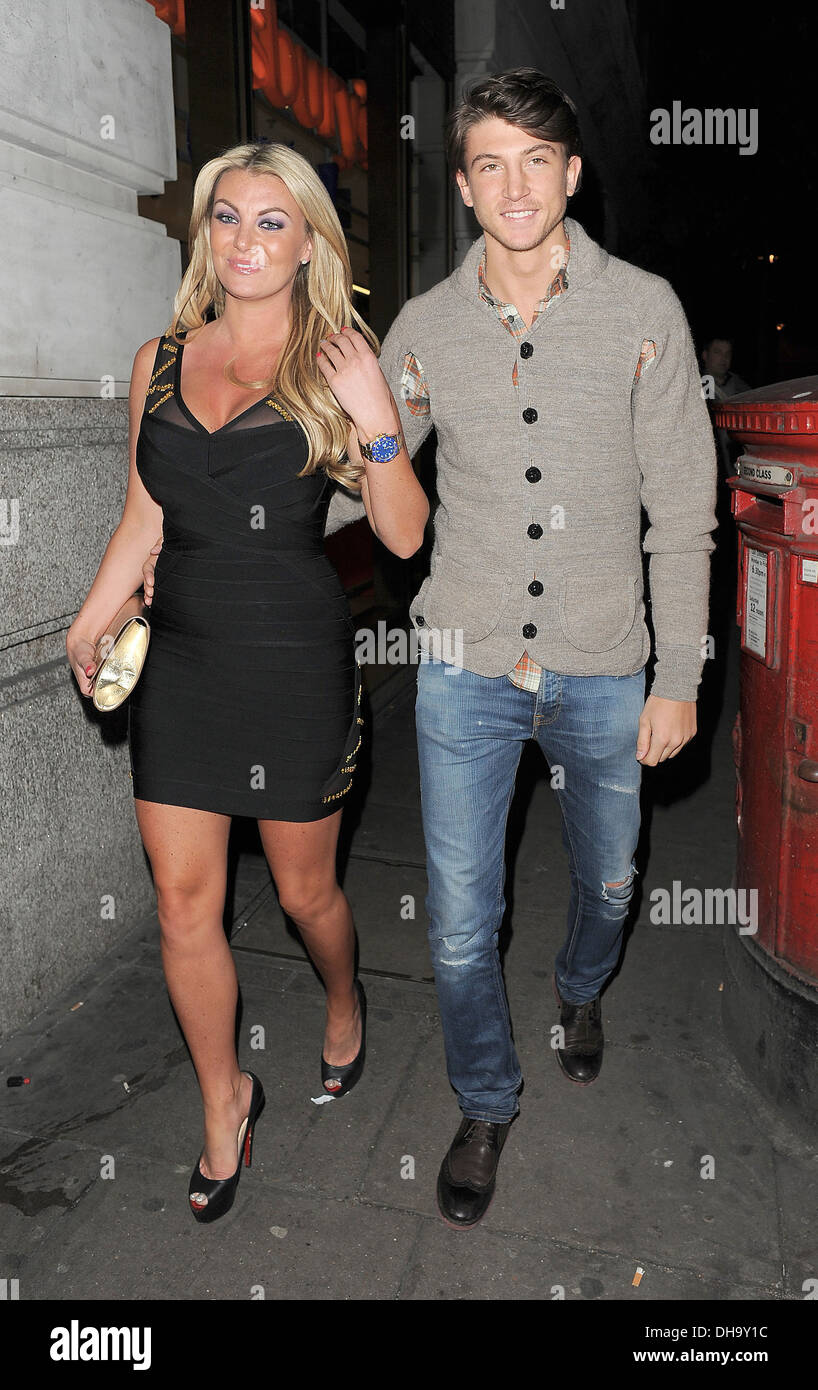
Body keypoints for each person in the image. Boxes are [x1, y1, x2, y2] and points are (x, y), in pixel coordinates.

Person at [373, 68, 717, 1229]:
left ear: (570, 175)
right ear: (464, 185)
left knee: (611, 878)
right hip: (463, 664)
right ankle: (483, 1098)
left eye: (536, 161)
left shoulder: (644, 313)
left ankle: (578, 991)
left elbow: (681, 511)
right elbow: (358, 473)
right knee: (461, 918)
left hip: (603, 660)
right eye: (488, 163)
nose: (512, 186)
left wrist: (678, 678)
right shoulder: (421, 328)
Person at [66, 142, 428, 1223]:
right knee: (186, 904)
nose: (246, 240)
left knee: (306, 894)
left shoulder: (336, 361)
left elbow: (404, 534)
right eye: (228, 217)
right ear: (204, 234)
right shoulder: (160, 360)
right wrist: (93, 617)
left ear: (309, 240)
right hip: (180, 654)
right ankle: (224, 1102)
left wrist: (374, 416)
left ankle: (342, 994)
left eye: (273, 221)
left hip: (292, 660)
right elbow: (146, 515)